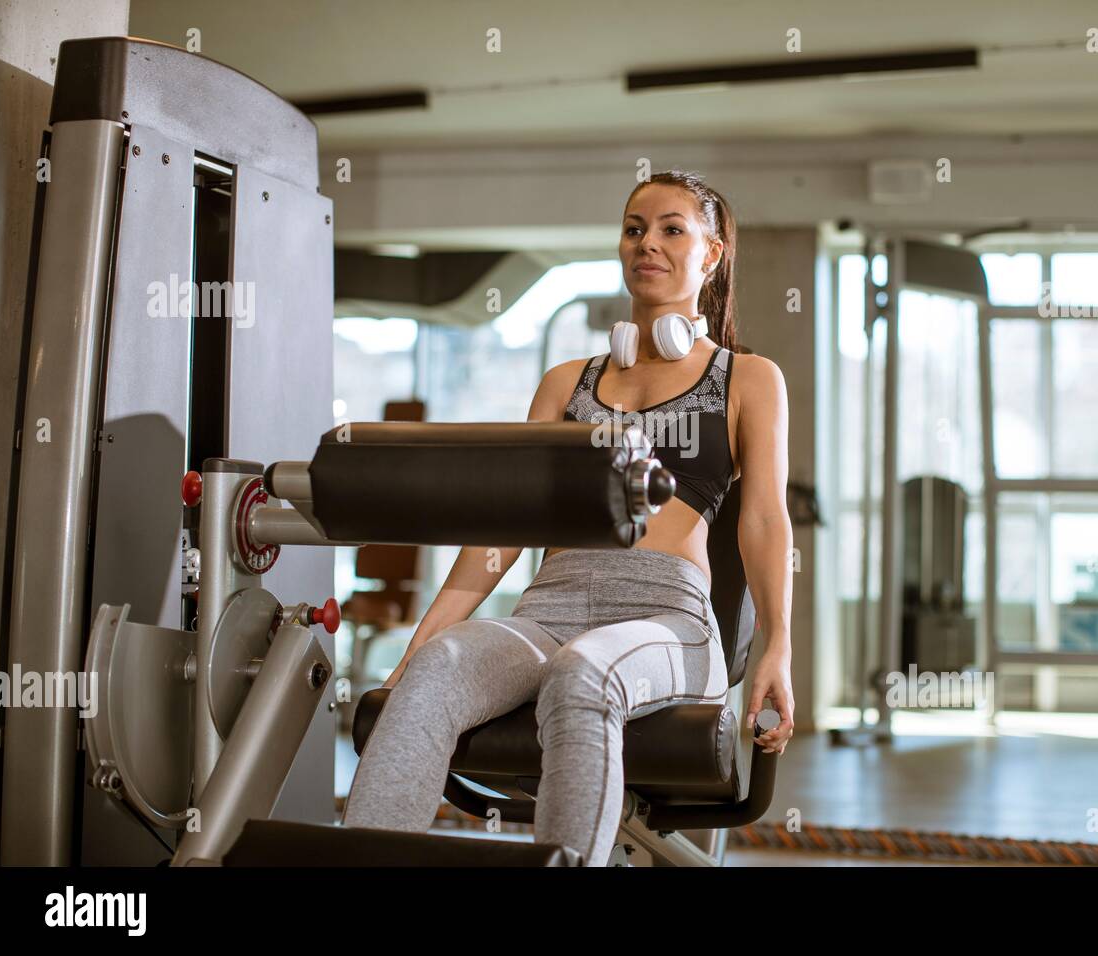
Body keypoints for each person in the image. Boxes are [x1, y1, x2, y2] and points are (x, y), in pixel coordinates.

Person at [341, 169, 795, 866]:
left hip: (665, 616)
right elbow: (504, 530)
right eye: (635, 228)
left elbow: (763, 520)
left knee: (583, 674)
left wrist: (778, 646)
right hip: (546, 611)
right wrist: (423, 642)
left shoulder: (747, 378)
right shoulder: (567, 384)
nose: (648, 243)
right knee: (435, 676)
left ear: (712, 253)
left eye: (673, 229)